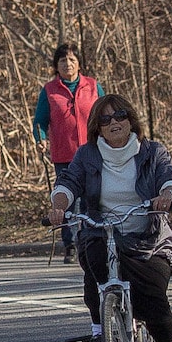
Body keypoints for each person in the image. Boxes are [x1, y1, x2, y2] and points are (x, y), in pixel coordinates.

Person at [46, 93, 172, 342]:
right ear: (97, 127)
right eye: (106, 119)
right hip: (104, 233)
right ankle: (101, 334)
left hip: (148, 242)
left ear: (131, 120)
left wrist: (167, 194)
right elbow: (68, 184)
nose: (114, 122)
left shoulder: (151, 152)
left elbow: (170, 175)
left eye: (120, 116)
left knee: (154, 300)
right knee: (94, 260)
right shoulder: (87, 156)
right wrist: (59, 205)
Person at [33, 44, 104, 264]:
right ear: (56, 65)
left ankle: (92, 240)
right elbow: (40, 121)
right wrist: (40, 139)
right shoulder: (50, 91)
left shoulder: (92, 86)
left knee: (93, 197)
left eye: (72, 60)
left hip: (93, 152)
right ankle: (69, 245)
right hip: (65, 155)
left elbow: (106, 114)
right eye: (63, 60)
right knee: (66, 200)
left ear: (79, 63)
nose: (68, 64)